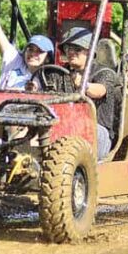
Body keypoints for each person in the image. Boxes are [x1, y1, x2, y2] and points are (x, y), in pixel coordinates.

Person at [51, 26, 123, 160]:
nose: (71, 52)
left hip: (98, 132)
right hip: (65, 130)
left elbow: (100, 90)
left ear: (90, 52)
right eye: (68, 48)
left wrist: (84, 85)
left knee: (77, 126)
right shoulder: (59, 74)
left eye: (77, 49)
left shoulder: (105, 73)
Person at [0, 0, 54, 90]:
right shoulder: (14, 59)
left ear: (47, 58)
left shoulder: (48, 79)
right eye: (30, 49)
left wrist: (31, 90)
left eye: (39, 51)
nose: (32, 54)